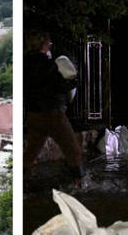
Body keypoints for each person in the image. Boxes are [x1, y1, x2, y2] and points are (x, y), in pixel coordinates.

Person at [25, 30, 84, 190]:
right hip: (53, 113)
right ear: (45, 45)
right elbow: (60, 87)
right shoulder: (49, 66)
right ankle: (79, 183)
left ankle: (23, 183)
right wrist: (74, 81)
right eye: (49, 43)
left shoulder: (24, 63)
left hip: (33, 114)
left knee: (30, 152)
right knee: (72, 149)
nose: (50, 46)